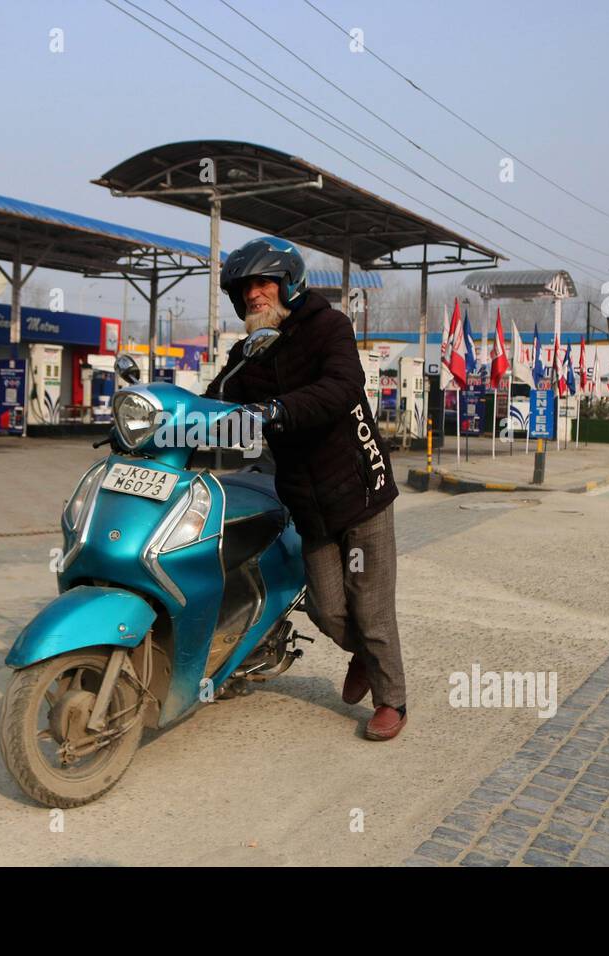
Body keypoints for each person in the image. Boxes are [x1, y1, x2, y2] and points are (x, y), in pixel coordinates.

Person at [204, 236, 407, 741]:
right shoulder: (250, 350)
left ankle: (392, 701)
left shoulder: (328, 328)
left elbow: (341, 386)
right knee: (325, 606)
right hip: (306, 500)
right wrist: (160, 423)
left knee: (371, 607)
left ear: (289, 284)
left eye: (264, 282)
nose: (254, 294)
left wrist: (278, 408)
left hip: (360, 490)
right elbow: (214, 402)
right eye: (246, 287)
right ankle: (363, 655)